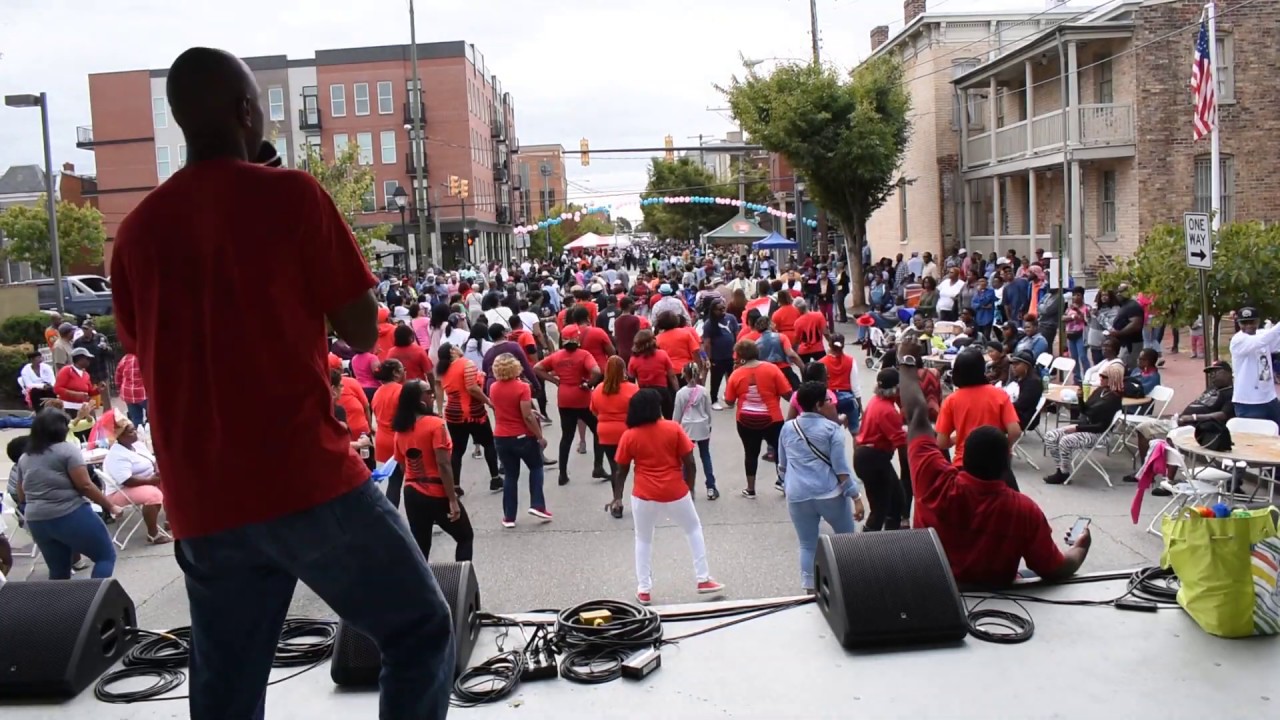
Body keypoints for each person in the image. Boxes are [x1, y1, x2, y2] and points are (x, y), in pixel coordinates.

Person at [110, 47, 453, 720]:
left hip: (203, 498)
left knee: (227, 688)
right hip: (302, 477)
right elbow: (362, 329)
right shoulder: (291, 194)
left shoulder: (137, 231)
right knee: (418, 627)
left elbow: (138, 341)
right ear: (247, 110)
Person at [895, 338, 1090, 585]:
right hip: (999, 604)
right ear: (1005, 460)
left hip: (938, 594)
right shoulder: (1023, 511)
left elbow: (917, 417)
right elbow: (1056, 569)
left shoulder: (934, 482)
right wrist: (1081, 547)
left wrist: (907, 360)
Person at [608, 389, 723, 605]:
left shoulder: (630, 435)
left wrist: (617, 497)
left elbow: (621, 470)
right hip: (674, 490)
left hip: (644, 494)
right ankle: (703, 578)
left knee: (643, 539)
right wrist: (689, 489)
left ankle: (644, 589)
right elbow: (690, 463)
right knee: (693, 528)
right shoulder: (673, 428)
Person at [12, 408, 120, 579]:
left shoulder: (25, 457)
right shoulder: (67, 450)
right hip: (68, 513)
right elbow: (85, 485)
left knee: (59, 571)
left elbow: (21, 494)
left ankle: (61, 598)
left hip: (36, 520)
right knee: (105, 556)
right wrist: (111, 506)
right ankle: (96, 595)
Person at [779, 381, 864, 591]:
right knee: (845, 540)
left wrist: (788, 485)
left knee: (807, 545)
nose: (832, 403)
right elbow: (841, 469)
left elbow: (782, 465)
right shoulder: (832, 429)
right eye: (828, 400)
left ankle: (810, 589)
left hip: (797, 495)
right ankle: (849, 585)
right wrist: (856, 497)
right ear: (818, 405)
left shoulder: (788, 428)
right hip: (829, 493)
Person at [391, 379, 473, 562]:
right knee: (465, 537)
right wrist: (452, 499)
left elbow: (402, 464)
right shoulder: (436, 425)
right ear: (419, 399)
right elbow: (443, 464)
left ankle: (422, 581)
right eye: (428, 392)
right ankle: (461, 577)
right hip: (436, 492)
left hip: (412, 492)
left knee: (421, 546)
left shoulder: (400, 430)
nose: (433, 395)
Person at [935, 348, 1022, 491]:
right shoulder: (999, 395)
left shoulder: (951, 401)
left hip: (964, 466)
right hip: (996, 465)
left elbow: (941, 442)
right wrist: (1004, 447)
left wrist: (957, 439)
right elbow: (1015, 431)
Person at [536, 325, 605, 484]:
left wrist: (555, 381)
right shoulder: (584, 355)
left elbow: (537, 368)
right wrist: (589, 383)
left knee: (566, 436)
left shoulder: (557, 356)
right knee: (597, 431)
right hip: (582, 397)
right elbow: (596, 371)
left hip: (564, 397)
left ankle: (562, 474)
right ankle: (598, 466)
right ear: (577, 339)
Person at [489, 353, 551, 528]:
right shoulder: (522, 387)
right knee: (536, 467)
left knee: (510, 475)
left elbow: (503, 408)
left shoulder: (493, 387)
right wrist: (539, 436)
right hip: (522, 436)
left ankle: (509, 516)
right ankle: (537, 504)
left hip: (501, 436)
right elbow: (527, 416)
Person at [724, 340, 789, 498]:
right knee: (780, 450)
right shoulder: (772, 369)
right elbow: (787, 393)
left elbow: (729, 401)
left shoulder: (736, 374)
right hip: (772, 418)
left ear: (740, 357)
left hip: (745, 420)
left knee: (750, 453)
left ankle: (750, 489)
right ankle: (783, 482)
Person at [1042, 363, 1126, 485]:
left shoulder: (1113, 400)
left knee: (1066, 441)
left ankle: (1064, 473)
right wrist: (1080, 398)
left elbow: (1102, 427)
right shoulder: (1100, 391)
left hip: (1099, 433)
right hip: (1086, 426)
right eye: (1100, 375)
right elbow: (1085, 410)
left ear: (1112, 379)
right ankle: (1061, 468)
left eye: (1104, 376)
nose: (1100, 378)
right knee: (1050, 436)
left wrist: (1077, 428)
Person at [436, 342, 502, 492]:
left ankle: (455, 485)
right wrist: (488, 401)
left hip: (453, 414)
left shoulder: (443, 369)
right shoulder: (466, 364)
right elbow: (472, 388)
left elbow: (440, 387)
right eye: (455, 346)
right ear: (452, 351)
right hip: (473, 412)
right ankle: (495, 478)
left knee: (457, 449)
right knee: (488, 443)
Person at [102, 415, 171, 544]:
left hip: (147, 480)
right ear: (120, 436)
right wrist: (150, 481)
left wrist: (158, 472)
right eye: (131, 432)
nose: (135, 433)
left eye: (134, 429)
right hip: (121, 491)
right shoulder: (117, 455)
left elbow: (153, 460)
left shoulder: (137, 445)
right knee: (153, 495)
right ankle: (153, 534)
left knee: (172, 483)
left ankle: (170, 519)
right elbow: (126, 480)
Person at [854, 369, 907, 531]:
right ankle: (869, 542)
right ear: (896, 389)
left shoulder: (877, 401)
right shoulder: (887, 410)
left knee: (896, 501)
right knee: (880, 508)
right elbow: (900, 441)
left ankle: (889, 538)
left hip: (869, 457)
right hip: (873, 459)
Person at [1228, 307, 1280, 426]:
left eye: (1252, 322)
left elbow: (1274, 340)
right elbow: (1263, 340)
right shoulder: (1238, 340)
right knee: (1254, 436)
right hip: (1248, 402)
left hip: (1270, 398)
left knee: (1275, 435)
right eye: (1244, 323)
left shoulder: (1262, 334)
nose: (1248, 326)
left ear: (1258, 321)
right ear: (1238, 323)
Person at [673, 365, 718, 500]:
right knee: (705, 455)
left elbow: (677, 414)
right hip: (702, 426)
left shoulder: (681, 393)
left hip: (687, 428)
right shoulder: (703, 391)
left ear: (684, 375)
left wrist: (675, 428)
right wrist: (709, 424)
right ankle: (711, 487)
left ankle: (686, 487)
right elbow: (708, 410)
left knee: (687, 460)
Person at [628, 329, 678, 419]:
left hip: (644, 392)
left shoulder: (633, 360)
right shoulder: (662, 354)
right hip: (661, 390)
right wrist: (677, 391)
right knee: (668, 415)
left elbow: (631, 379)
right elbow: (672, 376)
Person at [1008, 351, 1044, 432]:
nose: (1013, 367)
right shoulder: (1019, 377)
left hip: (1025, 418)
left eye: (1017, 364)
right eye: (1013, 364)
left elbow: (1021, 405)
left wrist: (1003, 406)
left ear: (1026, 366)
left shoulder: (1033, 382)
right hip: (1016, 412)